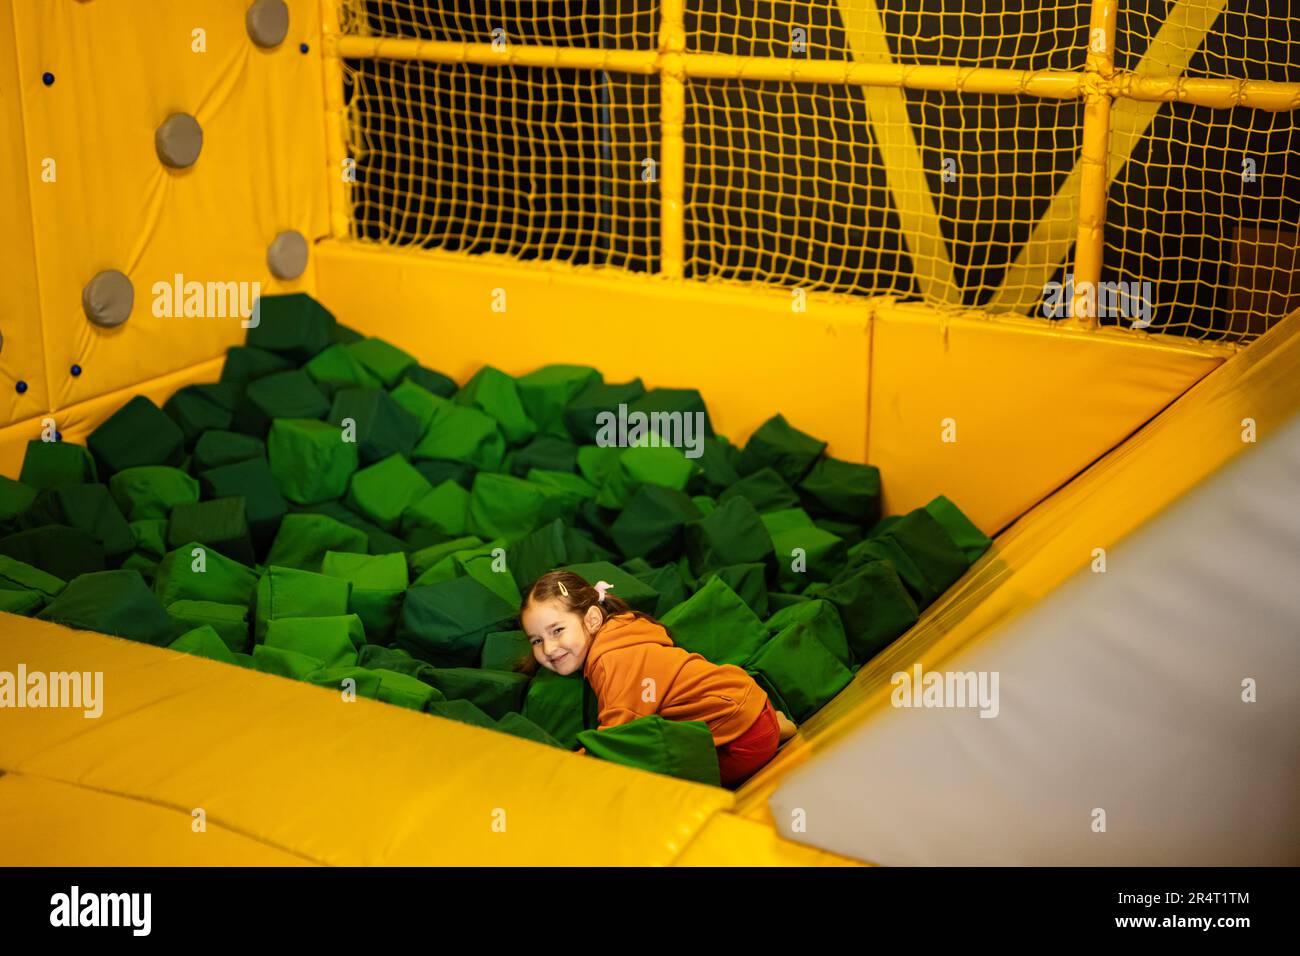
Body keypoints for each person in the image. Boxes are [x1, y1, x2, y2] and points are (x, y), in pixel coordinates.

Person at [519, 569, 798, 788]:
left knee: (649, 778)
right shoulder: (623, 628)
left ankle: (767, 734)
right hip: (748, 703)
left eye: (557, 631)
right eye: (536, 639)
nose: (549, 649)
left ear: (592, 619)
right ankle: (775, 725)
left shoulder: (610, 658)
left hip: (739, 743)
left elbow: (619, 739)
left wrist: (568, 766)